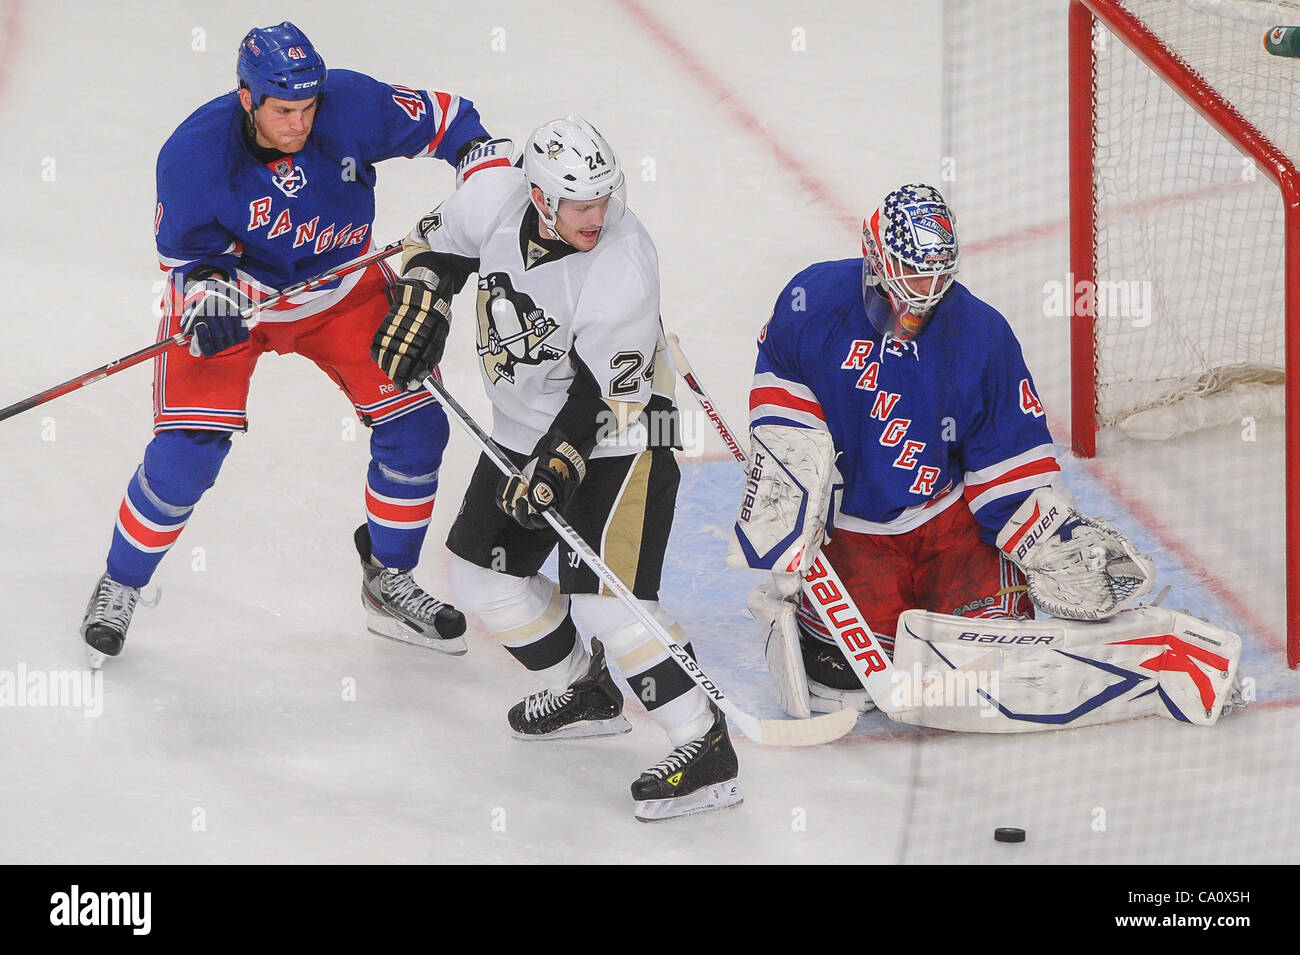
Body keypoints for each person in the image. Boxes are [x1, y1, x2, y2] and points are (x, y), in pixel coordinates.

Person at [79, 22, 514, 666]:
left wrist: (484, 175)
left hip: (337, 288)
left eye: (309, 108)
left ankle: (387, 580)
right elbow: (189, 258)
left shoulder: (352, 104)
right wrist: (209, 298)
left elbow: (453, 121)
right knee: (187, 453)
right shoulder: (194, 153)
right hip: (242, 301)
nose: (300, 124)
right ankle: (120, 581)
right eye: (284, 110)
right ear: (247, 99)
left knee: (418, 427)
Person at [370, 116, 741, 821]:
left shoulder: (622, 262)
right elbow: (433, 245)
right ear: (538, 197)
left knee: (606, 600)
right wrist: (425, 300)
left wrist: (560, 463)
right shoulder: (490, 199)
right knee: (483, 577)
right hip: (521, 426)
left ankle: (705, 741)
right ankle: (586, 688)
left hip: (628, 431)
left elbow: (615, 397)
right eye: (580, 204)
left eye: (604, 198)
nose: (597, 215)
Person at [733, 183, 1155, 716]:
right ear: (875, 259)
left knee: (992, 660)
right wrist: (786, 486)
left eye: (938, 276)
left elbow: (1008, 455)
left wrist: (1050, 537)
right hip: (853, 529)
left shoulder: (981, 334)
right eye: (911, 274)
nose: (924, 293)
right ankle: (815, 621)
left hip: (945, 522)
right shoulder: (812, 301)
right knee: (839, 685)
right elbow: (780, 386)